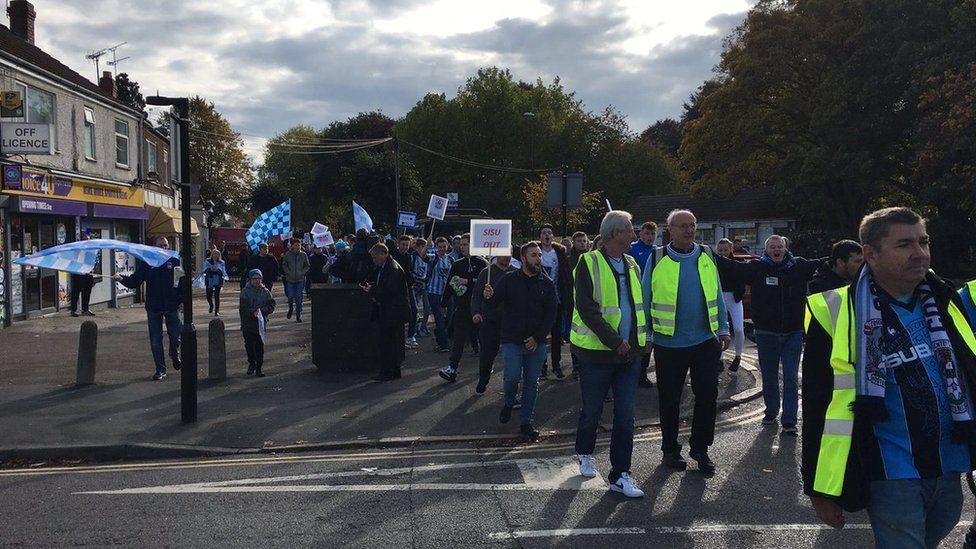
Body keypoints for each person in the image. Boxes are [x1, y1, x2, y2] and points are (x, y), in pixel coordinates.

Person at [802, 207, 976, 548]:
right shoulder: (834, 312)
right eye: (905, 245)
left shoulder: (944, 298)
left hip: (949, 461)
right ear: (871, 253)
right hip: (890, 467)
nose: (920, 253)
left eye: (924, 241)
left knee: (939, 529)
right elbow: (818, 407)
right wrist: (819, 489)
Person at [642, 209, 730, 475]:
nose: (690, 230)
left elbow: (716, 291)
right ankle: (670, 450)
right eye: (683, 226)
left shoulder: (706, 254)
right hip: (669, 344)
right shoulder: (657, 257)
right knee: (670, 399)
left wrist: (723, 328)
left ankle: (701, 449)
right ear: (671, 230)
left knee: (707, 396)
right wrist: (647, 336)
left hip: (705, 340)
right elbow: (645, 297)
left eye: (692, 225)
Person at [571, 210, 648, 498]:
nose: (634, 235)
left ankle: (620, 475)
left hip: (629, 355)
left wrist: (642, 339)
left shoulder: (631, 264)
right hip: (596, 354)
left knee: (625, 416)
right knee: (592, 411)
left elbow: (637, 305)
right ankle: (584, 451)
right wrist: (616, 341)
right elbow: (588, 310)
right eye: (630, 230)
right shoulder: (587, 262)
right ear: (616, 233)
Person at [716, 235, 826, 434]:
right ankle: (771, 411)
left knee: (791, 377)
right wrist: (705, 253)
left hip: (793, 332)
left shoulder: (799, 266)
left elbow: (824, 263)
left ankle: (790, 420)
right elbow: (731, 267)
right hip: (766, 332)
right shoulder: (757, 268)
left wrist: (843, 252)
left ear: (785, 248)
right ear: (766, 250)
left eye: (780, 246)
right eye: (773, 247)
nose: (777, 249)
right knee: (769, 375)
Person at [484, 241, 557, 440]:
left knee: (532, 383)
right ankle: (509, 403)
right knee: (512, 379)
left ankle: (526, 421)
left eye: (540, 255)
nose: (538, 259)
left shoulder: (547, 283)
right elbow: (493, 303)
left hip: (537, 342)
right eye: (534, 255)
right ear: (523, 259)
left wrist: (538, 337)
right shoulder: (509, 280)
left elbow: (551, 314)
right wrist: (488, 296)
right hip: (512, 340)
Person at [112, 236, 184, 381]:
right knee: (156, 340)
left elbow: (181, 282)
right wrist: (122, 278)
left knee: (176, 336)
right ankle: (160, 370)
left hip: (172, 305)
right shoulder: (147, 263)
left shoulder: (175, 261)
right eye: (160, 245)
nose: (163, 248)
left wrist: (183, 301)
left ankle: (174, 353)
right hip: (154, 307)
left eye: (165, 245)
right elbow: (135, 281)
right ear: (154, 247)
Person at [438, 234, 488, 383]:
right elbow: (449, 284)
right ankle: (452, 368)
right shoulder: (457, 264)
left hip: (479, 308)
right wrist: (444, 302)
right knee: (458, 339)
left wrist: (468, 281)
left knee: (483, 339)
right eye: (461, 244)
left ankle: (485, 366)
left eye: (466, 244)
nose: (462, 247)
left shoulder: (482, 263)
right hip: (462, 307)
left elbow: (485, 282)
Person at [471, 251, 518, 394]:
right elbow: (477, 294)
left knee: (512, 358)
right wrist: (476, 312)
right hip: (490, 321)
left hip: (511, 323)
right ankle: (483, 381)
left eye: (509, 252)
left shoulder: (517, 273)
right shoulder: (487, 272)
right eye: (504, 252)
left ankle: (512, 389)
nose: (507, 256)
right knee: (487, 355)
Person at [363, 243, 411, 381]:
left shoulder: (393, 269)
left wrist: (372, 290)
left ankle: (387, 372)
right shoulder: (388, 266)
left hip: (393, 311)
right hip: (392, 310)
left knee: (388, 343)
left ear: (383, 254)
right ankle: (393, 371)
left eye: (375, 257)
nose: (374, 260)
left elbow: (390, 290)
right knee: (391, 342)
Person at [538, 224, 572, 380]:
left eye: (549, 233)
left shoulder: (559, 253)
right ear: (540, 237)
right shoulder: (536, 252)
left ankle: (556, 365)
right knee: (541, 335)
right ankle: (542, 366)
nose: (547, 235)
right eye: (544, 233)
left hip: (557, 299)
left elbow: (565, 276)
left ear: (553, 237)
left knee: (556, 335)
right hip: (539, 300)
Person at [632, 221, 659, 387]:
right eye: (647, 233)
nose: (650, 237)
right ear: (640, 233)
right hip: (634, 299)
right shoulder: (632, 248)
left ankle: (642, 374)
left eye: (653, 234)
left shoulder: (658, 252)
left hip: (653, 300)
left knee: (649, 338)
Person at [716, 238, 746, 372]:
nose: (722, 253)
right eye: (720, 250)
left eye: (725, 250)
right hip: (718, 297)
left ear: (731, 250)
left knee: (739, 329)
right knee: (718, 330)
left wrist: (739, 293)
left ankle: (738, 356)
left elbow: (742, 280)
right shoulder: (714, 263)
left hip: (734, 297)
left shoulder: (738, 263)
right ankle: (720, 358)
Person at [239, 268, 276, 377]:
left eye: (259, 278)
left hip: (260, 323)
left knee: (260, 346)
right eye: (255, 278)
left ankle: (259, 367)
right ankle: (252, 363)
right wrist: (252, 313)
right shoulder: (245, 292)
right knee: (249, 345)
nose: (257, 281)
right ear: (250, 279)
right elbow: (243, 308)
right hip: (248, 323)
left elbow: (272, 305)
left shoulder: (265, 292)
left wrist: (262, 311)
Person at [567, 231, 590, 378]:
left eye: (584, 240)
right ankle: (576, 364)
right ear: (574, 243)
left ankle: (586, 363)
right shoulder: (569, 260)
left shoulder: (592, 258)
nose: (582, 243)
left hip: (588, 301)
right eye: (579, 241)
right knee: (575, 334)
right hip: (572, 301)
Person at [391, 236, 419, 349]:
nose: (405, 247)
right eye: (403, 245)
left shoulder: (409, 256)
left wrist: (413, 280)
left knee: (414, 310)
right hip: (397, 288)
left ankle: (410, 336)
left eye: (407, 245)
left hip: (408, 287)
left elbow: (409, 271)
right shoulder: (393, 256)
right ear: (398, 244)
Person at [427, 237, 454, 353]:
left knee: (450, 318)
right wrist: (427, 245)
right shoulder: (433, 258)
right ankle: (443, 345)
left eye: (444, 246)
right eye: (440, 246)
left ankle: (441, 336)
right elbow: (423, 256)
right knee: (439, 318)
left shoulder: (451, 259)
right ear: (436, 247)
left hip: (447, 293)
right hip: (434, 292)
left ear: (447, 246)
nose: (442, 249)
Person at [280, 238, 310, 322]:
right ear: (292, 246)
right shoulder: (288, 255)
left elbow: (307, 265)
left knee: (299, 297)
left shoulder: (303, 255)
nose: (297, 247)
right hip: (290, 279)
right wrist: (288, 272)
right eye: (296, 245)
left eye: (299, 245)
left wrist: (302, 272)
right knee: (290, 295)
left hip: (300, 279)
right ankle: (290, 307)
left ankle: (298, 315)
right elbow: (284, 264)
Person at [409, 238, 431, 339]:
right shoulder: (412, 257)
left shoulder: (426, 257)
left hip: (425, 284)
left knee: (427, 307)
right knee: (416, 308)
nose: (423, 249)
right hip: (416, 284)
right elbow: (411, 270)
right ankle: (416, 329)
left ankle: (424, 325)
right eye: (422, 247)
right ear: (417, 247)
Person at [69, 234, 96, 317]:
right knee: (76, 292)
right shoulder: (77, 250)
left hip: (88, 273)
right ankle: (73, 310)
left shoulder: (90, 250)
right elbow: (73, 260)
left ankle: (85, 309)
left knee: (87, 292)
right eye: (86, 240)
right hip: (78, 273)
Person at [203, 250, 229, 316]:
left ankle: (217, 311)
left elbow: (223, 272)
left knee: (217, 296)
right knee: (208, 295)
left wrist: (218, 270)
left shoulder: (221, 262)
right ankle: (211, 305)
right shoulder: (208, 261)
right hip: (210, 279)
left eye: (216, 254)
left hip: (218, 279)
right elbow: (204, 270)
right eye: (214, 254)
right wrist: (210, 269)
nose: (215, 255)